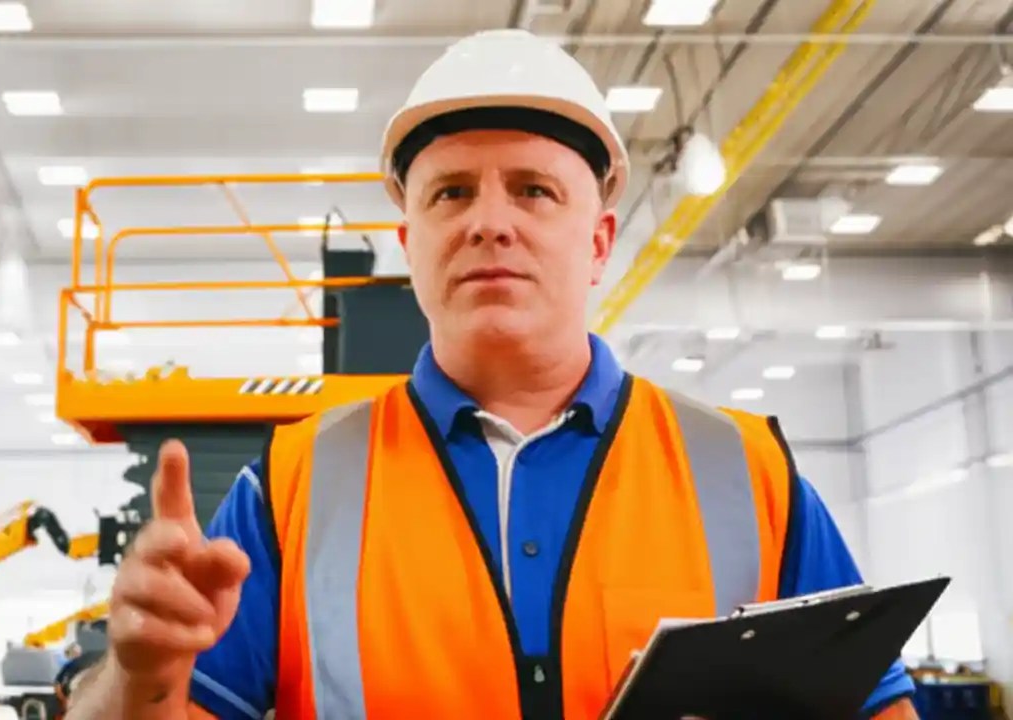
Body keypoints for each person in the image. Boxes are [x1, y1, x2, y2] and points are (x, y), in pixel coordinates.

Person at [67, 29, 919, 720]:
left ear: (598, 242)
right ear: (411, 247)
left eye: (534, 190)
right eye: (449, 194)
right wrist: (138, 679)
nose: (489, 224)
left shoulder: (745, 470)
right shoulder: (295, 487)